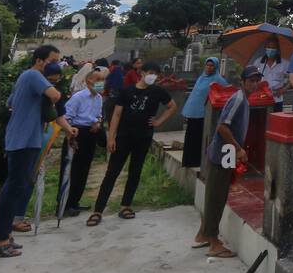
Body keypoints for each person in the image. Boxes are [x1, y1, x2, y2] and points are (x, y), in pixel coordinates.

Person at [0, 45, 64, 258]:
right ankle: (0, 239)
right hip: (23, 140)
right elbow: (55, 95)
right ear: (40, 60)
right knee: (13, 188)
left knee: (15, 186)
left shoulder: (25, 77)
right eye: (52, 60)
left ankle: (4, 234)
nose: (55, 65)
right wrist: (54, 84)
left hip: (23, 138)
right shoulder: (33, 75)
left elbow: (11, 102)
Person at [88, 62, 176, 225]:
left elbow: (172, 106)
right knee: (112, 172)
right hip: (123, 137)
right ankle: (98, 210)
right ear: (141, 73)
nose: (152, 76)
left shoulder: (158, 91)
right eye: (150, 72)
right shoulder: (127, 90)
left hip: (143, 137)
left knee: (135, 172)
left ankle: (125, 205)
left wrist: (159, 121)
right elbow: (116, 114)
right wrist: (111, 137)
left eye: (156, 74)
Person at [193, 66, 259, 258]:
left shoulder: (244, 100)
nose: (254, 84)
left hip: (227, 153)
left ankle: (203, 234)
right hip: (223, 153)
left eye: (257, 81)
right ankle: (213, 241)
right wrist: (239, 148)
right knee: (217, 196)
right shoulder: (238, 99)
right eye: (251, 81)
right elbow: (222, 127)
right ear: (243, 81)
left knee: (216, 193)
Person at [60, 67, 106, 217]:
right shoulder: (78, 97)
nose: (100, 83)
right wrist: (70, 135)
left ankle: (75, 201)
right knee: (72, 169)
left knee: (84, 169)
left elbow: (98, 115)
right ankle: (64, 204)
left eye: (102, 80)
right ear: (88, 81)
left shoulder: (99, 98)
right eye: (97, 80)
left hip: (91, 134)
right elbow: (66, 117)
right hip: (77, 132)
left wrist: (98, 122)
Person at [182, 56, 227, 168]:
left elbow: (224, 93)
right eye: (207, 65)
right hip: (193, 113)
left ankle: (197, 161)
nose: (209, 67)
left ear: (216, 67)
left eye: (212, 65)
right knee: (190, 137)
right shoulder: (201, 78)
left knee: (199, 138)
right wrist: (188, 112)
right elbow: (194, 96)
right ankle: (188, 162)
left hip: (205, 114)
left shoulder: (218, 80)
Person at [254, 37, 290, 112]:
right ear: (265, 48)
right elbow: (252, 78)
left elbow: (292, 79)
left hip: (277, 99)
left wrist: (284, 89)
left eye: (273, 47)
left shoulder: (285, 63)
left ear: (277, 49)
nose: (271, 50)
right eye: (269, 47)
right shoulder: (258, 62)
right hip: (261, 99)